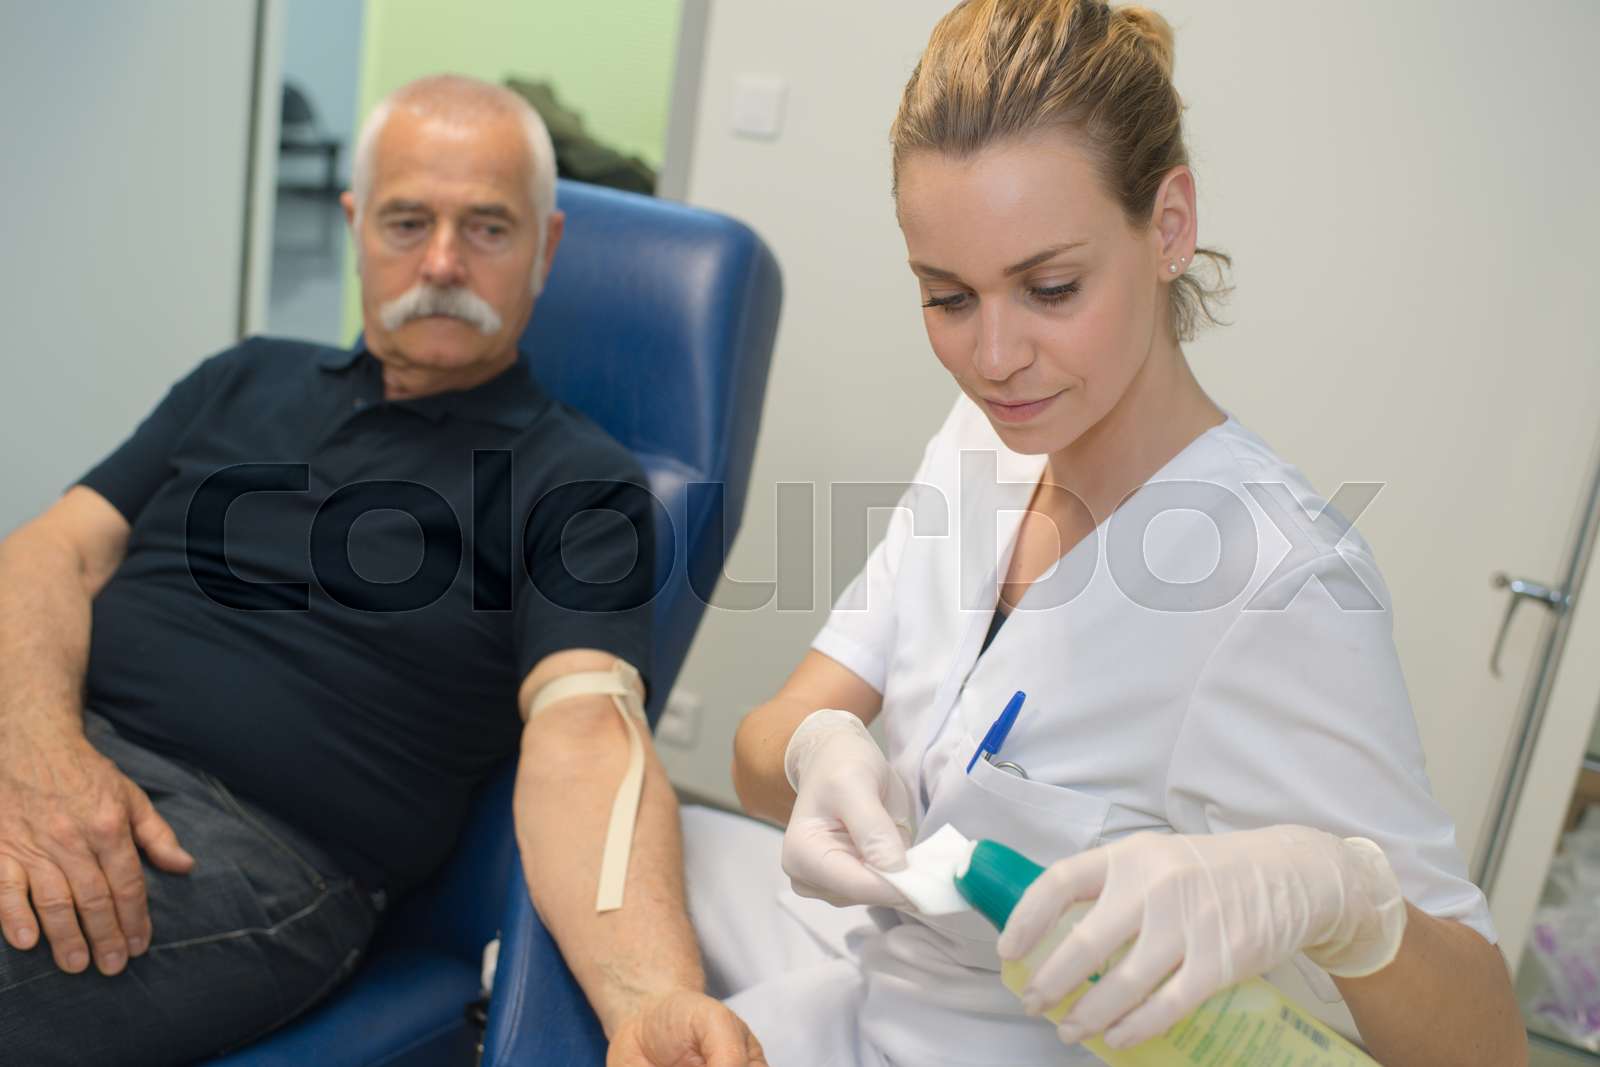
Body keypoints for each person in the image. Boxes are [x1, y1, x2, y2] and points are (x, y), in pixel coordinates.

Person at [683, 2, 1527, 1065]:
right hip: (861, 970)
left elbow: (1484, 1046)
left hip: (996, 1046)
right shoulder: (981, 442)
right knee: (622, 837)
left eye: (1050, 288)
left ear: (1167, 225)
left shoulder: (1276, 584)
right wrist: (820, 752)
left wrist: (1340, 893)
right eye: (947, 297)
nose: (994, 357)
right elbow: (766, 743)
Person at [0, 74, 762, 1066]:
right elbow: (50, 552)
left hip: (240, 847)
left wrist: (651, 995)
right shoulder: (246, 375)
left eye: (487, 228)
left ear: (548, 246)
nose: (441, 262)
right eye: (408, 221)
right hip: (51, 747)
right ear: (357, 224)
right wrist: (38, 752)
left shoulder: (577, 482)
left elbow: (588, 737)